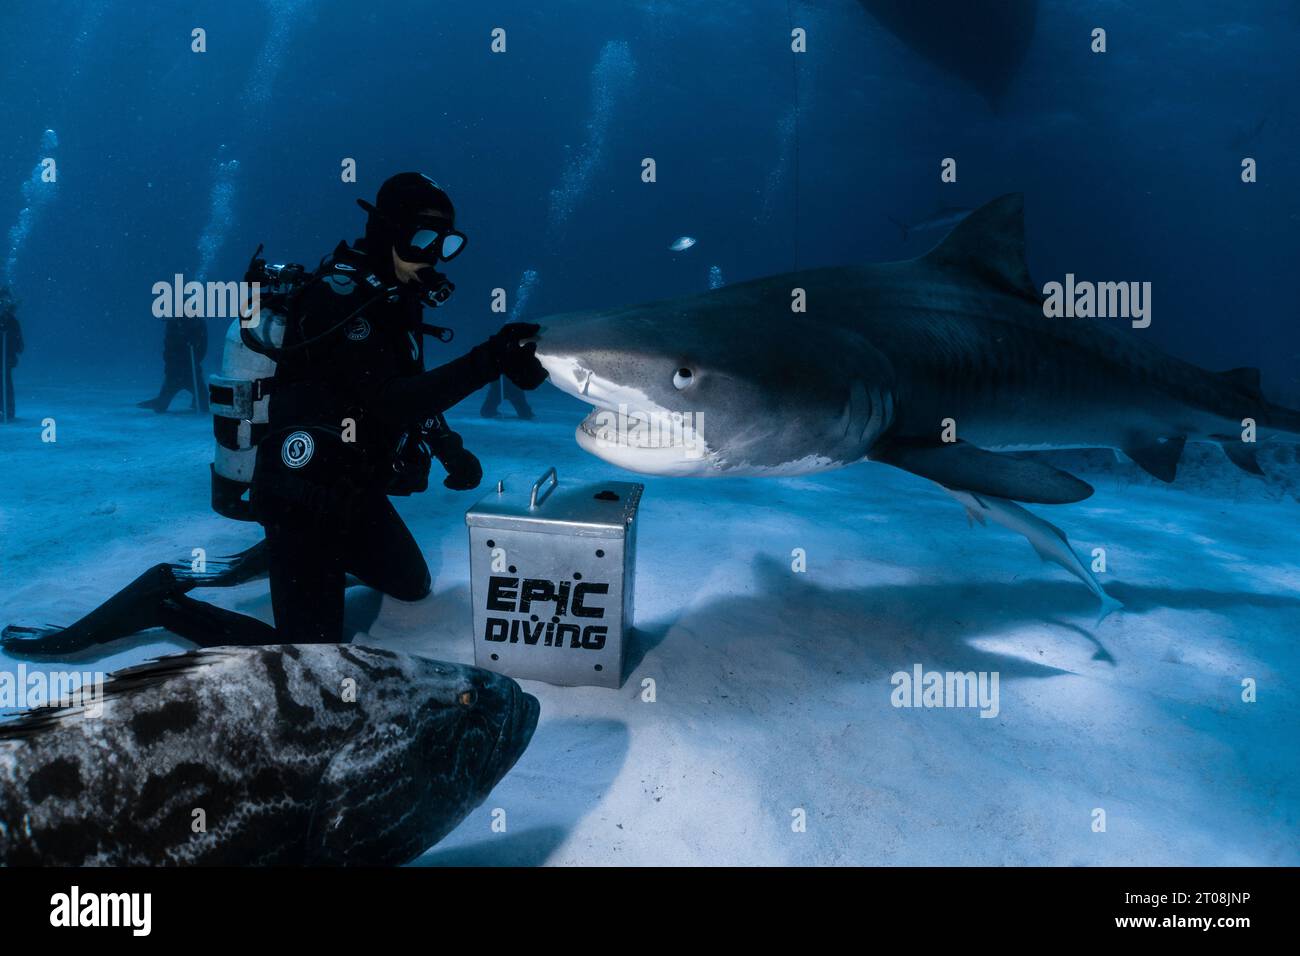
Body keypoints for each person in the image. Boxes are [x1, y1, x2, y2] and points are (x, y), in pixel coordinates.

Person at [1, 172, 549, 652]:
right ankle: (163, 604)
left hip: (354, 489)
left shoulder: (393, 296)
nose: (433, 254)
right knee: (308, 653)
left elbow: (404, 386)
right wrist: (489, 360)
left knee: (412, 584)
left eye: (446, 244)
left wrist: (449, 447)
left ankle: (301, 564)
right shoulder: (341, 297)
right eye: (422, 238)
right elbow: (388, 401)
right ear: (386, 231)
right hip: (302, 494)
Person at [137, 315, 208, 413]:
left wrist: (194, 355)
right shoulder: (173, 323)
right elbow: (168, 350)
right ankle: (196, 399)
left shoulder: (198, 323)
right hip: (175, 373)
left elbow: (203, 348)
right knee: (161, 405)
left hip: (191, 371)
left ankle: (197, 400)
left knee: (205, 403)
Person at [0, 287, 21, 423]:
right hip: (6, 359)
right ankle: (7, 410)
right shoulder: (12, 321)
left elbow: (20, 347)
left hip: (5, 360)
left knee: (5, 383)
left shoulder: (13, 322)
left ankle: (7, 410)